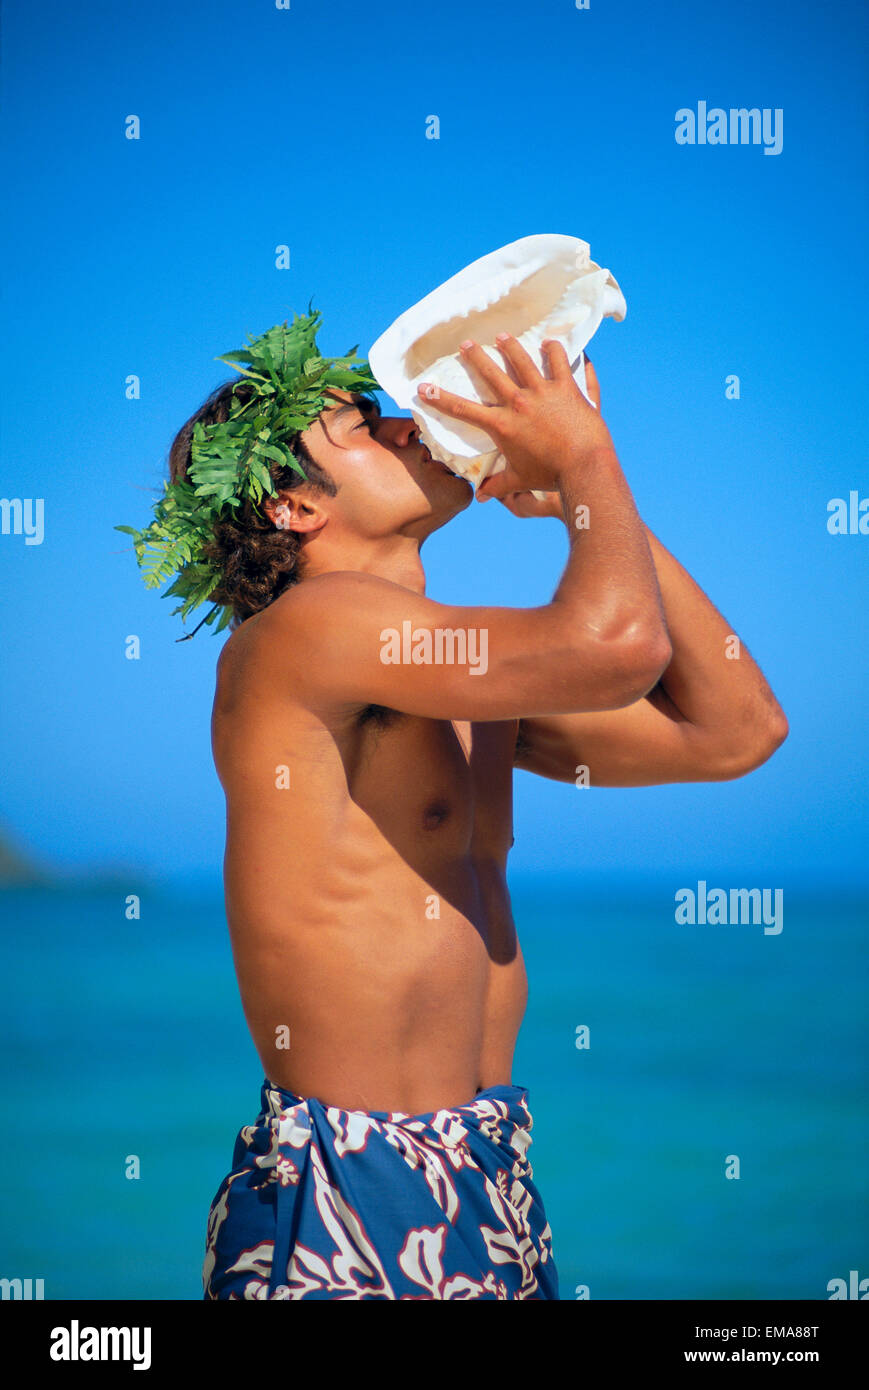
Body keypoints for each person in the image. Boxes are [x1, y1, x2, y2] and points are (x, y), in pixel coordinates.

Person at [160, 320, 787, 1299]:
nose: (411, 424)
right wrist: (583, 453)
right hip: (347, 1178)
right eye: (364, 427)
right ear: (292, 503)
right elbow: (616, 647)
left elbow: (736, 728)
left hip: (488, 1166)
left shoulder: (457, 675)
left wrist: (577, 504)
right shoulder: (302, 637)